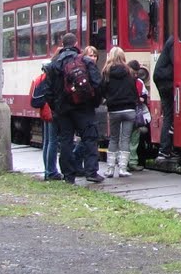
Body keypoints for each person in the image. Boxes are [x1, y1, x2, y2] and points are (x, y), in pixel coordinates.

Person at [45, 33, 102, 183]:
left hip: (63, 109)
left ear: (62, 45)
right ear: (76, 44)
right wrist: (93, 102)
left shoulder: (54, 64)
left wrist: (55, 107)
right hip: (84, 107)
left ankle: (69, 176)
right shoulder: (85, 61)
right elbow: (97, 83)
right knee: (90, 138)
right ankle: (91, 172)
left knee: (66, 141)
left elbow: (48, 91)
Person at [100, 47, 138, 178]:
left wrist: (109, 98)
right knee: (126, 139)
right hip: (129, 109)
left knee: (114, 138)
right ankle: (122, 168)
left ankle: (110, 169)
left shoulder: (106, 72)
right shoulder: (129, 71)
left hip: (114, 109)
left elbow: (102, 90)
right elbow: (134, 90)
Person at [32, 63, 61, 181]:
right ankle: (51, 171)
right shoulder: (53, 75)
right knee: (52, 141)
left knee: (47, 141)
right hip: (51, 109)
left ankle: (47, 170)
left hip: (44, 110)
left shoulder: (43, 75)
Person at [153, 34, 176, 157]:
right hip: (166, 79)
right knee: (170, 114)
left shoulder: (171, 40)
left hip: (162, 78)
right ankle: (165, 147)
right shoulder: (174, 41)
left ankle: (165, 148)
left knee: (169, 114)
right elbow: (176, 61)